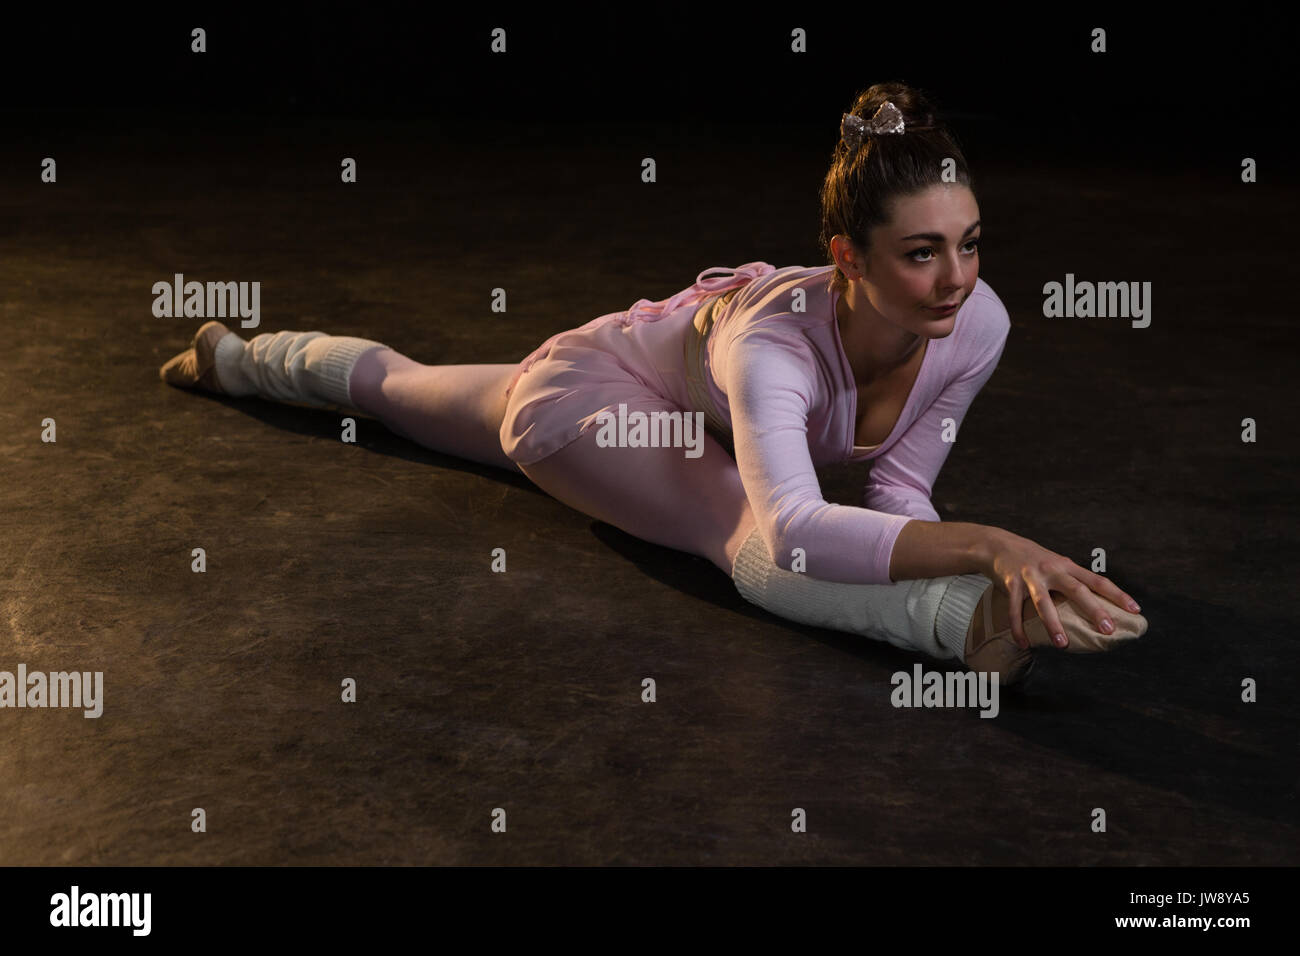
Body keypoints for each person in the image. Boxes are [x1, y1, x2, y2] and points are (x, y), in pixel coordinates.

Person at [159, 82, 1146, 686]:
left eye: (969, 244)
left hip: (671, 398)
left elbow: (896, 491)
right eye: (922, 252)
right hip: (585, 401)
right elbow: (795, 532)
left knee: (401, 388)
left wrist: (961, 549)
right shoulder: (777, 346)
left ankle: (236, 356)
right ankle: (951, 636)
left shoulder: (977, 322)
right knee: (742, 534)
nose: (958, 276)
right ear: (846, 256)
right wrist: (983, 566)